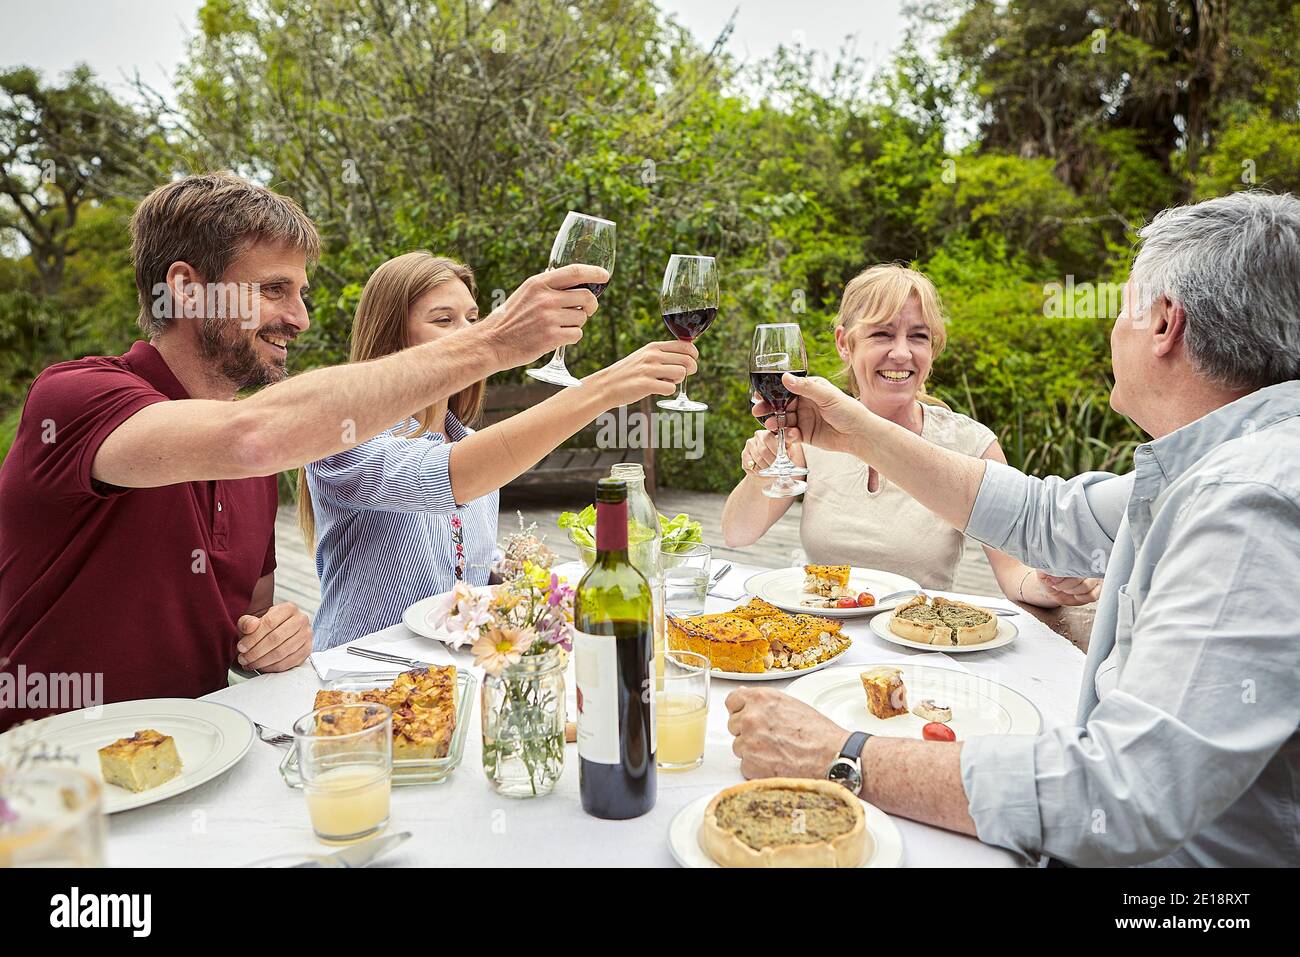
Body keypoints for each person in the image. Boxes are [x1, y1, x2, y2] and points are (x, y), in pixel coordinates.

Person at [726, 190, 1300, 867]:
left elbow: (1121, 793)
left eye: (1122, 307)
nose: (1110, 329)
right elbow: (1038, 515)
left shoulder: (1248, 501)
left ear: (1165, 324)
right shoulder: (1213, 465)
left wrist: (844, 754)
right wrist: (857, 434)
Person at [0, 171, 606, 729]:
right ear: (186, 289)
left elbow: (250, 624)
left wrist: (275, 639)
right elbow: (252, 437)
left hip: (200, 758)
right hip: (49, 779)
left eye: (300, 293)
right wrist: (495, 342)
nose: (300, 318)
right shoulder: (75, 397)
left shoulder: (256, 465)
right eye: (273, 289)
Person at [300, 252, 697, 648]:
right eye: (443, 320)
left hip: (457, 671)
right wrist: (601, 390)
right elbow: (448, 475)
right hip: (357, 679)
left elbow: (461, 564)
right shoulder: (342, 437)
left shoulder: (468, 440)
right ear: (391, 337)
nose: (469, 334)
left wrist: (506, 568)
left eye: (473, 320)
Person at [721, 263, 1099, 608]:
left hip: (920, 648)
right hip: (823, 641)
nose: (901, 353)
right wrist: (763, 468)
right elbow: (738, 533)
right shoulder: (811, 435)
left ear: (932, 349)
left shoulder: (972, 444)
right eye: (882, 334)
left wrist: (1051, 586)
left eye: (918, 337)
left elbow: (1016, 574)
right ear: (844, 343)